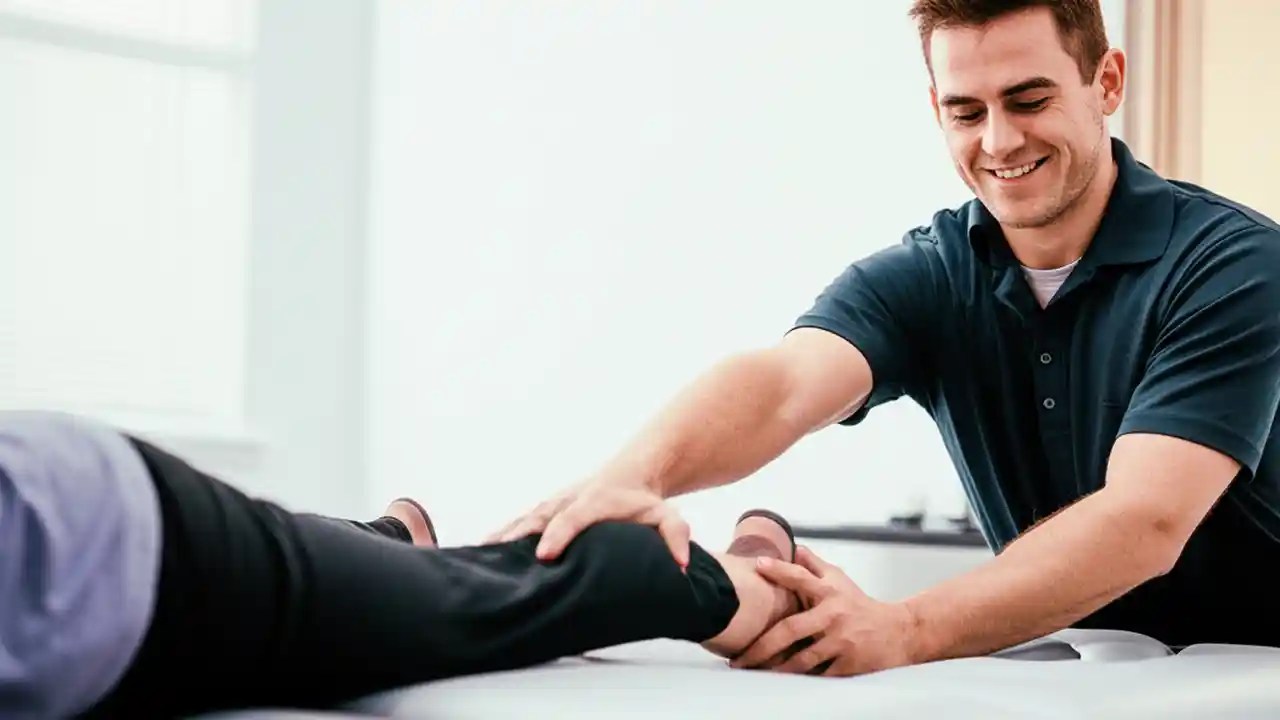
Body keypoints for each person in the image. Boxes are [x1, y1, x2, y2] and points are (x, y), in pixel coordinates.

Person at [495, 0, 1280, 677]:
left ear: (1106, 82)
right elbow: (784, 385)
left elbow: (1144, 521)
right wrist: (633, 477)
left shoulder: (1232, 265)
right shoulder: (935, 271)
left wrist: (905, 628)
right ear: (936, 106)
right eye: (967, 112)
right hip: (1080, 665)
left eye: (1029, 99)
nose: (1000, 141)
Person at [0, 410, 806, 719]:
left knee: (518, 589)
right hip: (75, 554)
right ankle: (387, 539)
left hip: (94, 550)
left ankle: (746, 587)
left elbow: (782, 386)